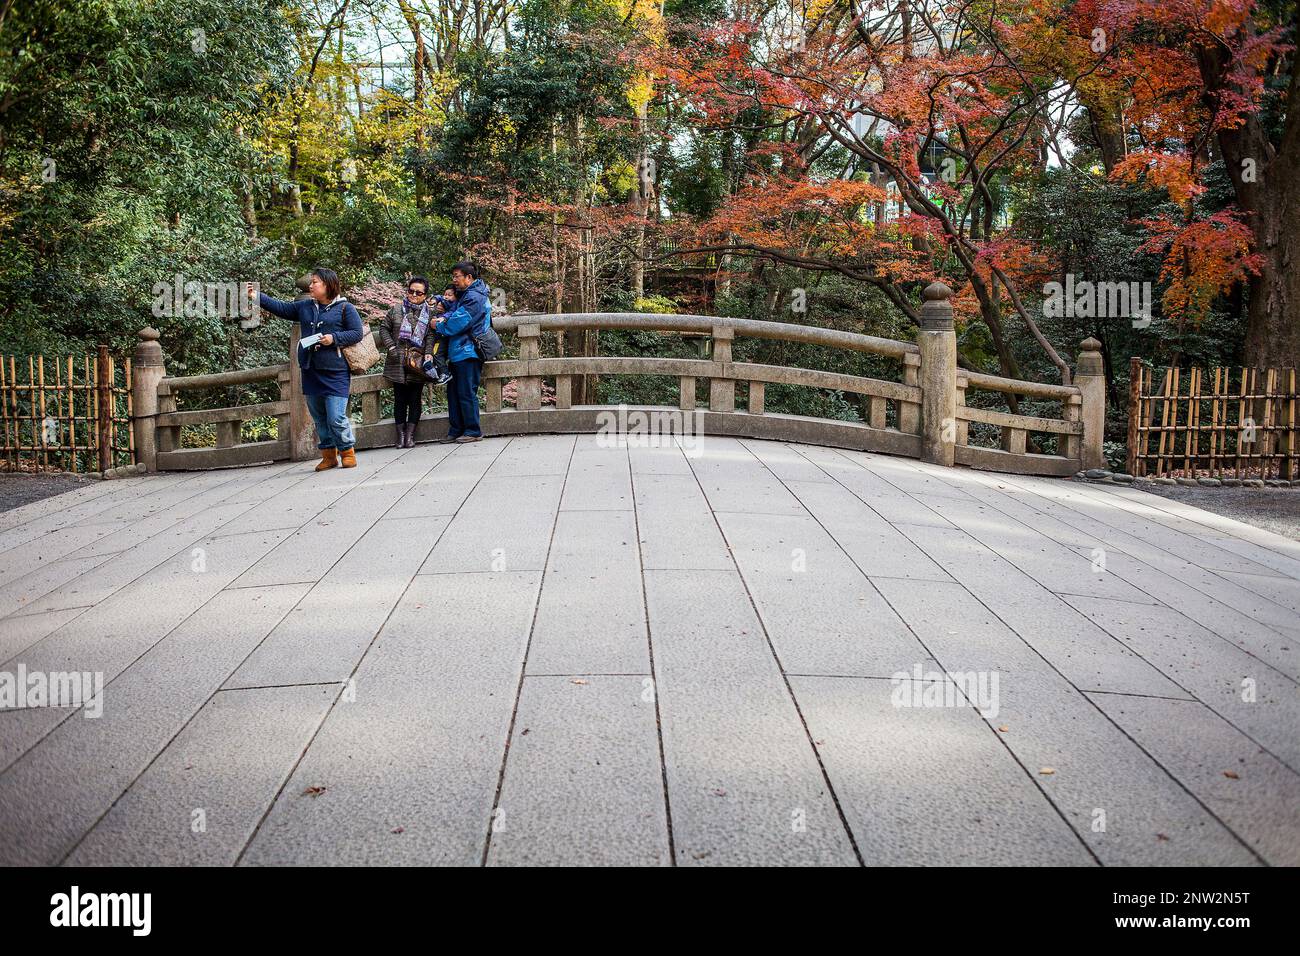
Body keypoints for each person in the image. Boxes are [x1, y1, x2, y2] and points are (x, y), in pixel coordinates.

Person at [256, 268, 364, 470]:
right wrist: (257, 296)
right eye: (311, 282)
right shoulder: (305, 306)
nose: (311, 286)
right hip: (310, 370)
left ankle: (347, 451)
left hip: (336, 371)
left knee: (336, 416)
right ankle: (329, 455)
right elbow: (281, 308)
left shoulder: (345, 308)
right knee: (320, 418)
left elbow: (357, 333)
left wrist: (334, 339)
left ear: (328, 285)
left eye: (315, 282)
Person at [377, 275, 450, 449]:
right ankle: (400, 436)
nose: (414, 295)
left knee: (415, 399)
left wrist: (428, 354)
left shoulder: (429, 312)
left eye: (419, 292)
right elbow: (383, 329)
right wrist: (392, 347)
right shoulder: (396, 310)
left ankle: (410, 436)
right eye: (411, 291)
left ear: (425, 295)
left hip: (418, 362)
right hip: (398, 360)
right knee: (400, 399)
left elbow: (431, 336)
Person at [434, 260, 491, 443]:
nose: (454, 280)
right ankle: (456, 429)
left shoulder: (474, 297)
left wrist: (437, 325)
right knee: (453, 392)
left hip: (469, 350)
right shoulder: (465, 294)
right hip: (458, 351)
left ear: (469, 277)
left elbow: (457, 323)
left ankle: (473, 430)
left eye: (457, 276)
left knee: (466, 392)